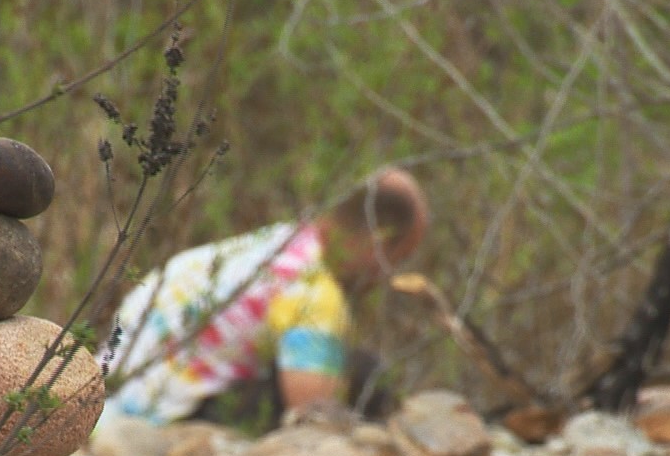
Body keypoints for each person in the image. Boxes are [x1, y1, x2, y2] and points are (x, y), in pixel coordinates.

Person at [100, 167, 428, 428]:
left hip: (110, 394)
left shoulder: (280, 241)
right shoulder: (312, 289)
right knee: (365, 373)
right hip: (158, 416)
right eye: (395, 260)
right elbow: (312, 415)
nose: (386, 276)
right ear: (377, 242)